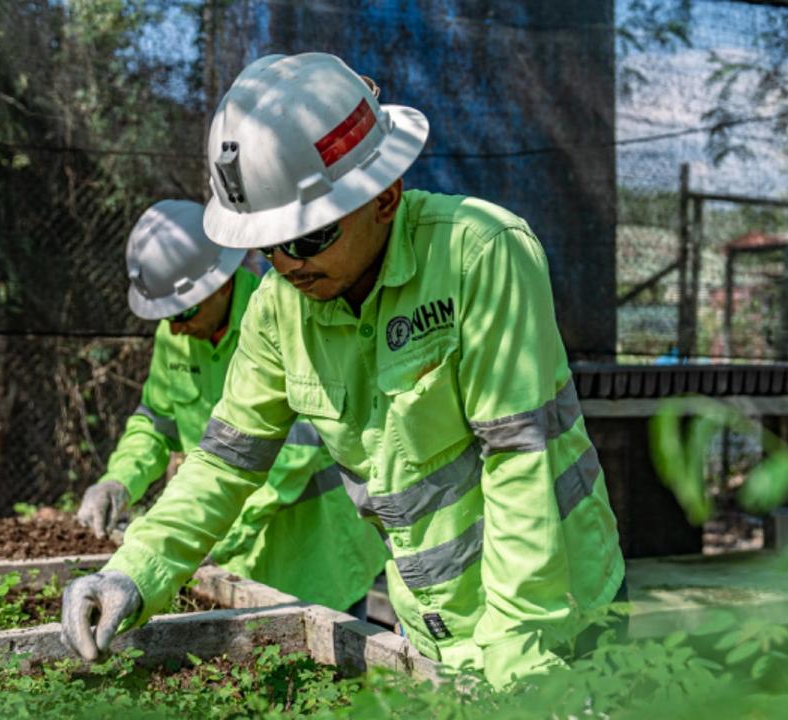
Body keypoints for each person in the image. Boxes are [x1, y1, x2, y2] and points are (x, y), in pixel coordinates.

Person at [62, 53, 625, 689]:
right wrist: (134, 571)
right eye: (267, 245)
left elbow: (519, 463)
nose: (285, 264)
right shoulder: (279, 310)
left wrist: (520, 658)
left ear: (385, 196)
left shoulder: (481, 255)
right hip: (432, 623)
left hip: (556, 617)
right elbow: (223, 461)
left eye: (307, 239)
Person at [75, 198, 388, 618]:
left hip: (317, 555)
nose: (176, 327)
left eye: (184, 311)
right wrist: (118, 481)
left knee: (331, 678)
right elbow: (157, 423)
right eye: (166, 316)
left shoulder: (287, 314)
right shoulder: (178, 337)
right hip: (231, 557)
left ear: (220, 285)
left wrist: (209, 539)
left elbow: (292, 457)